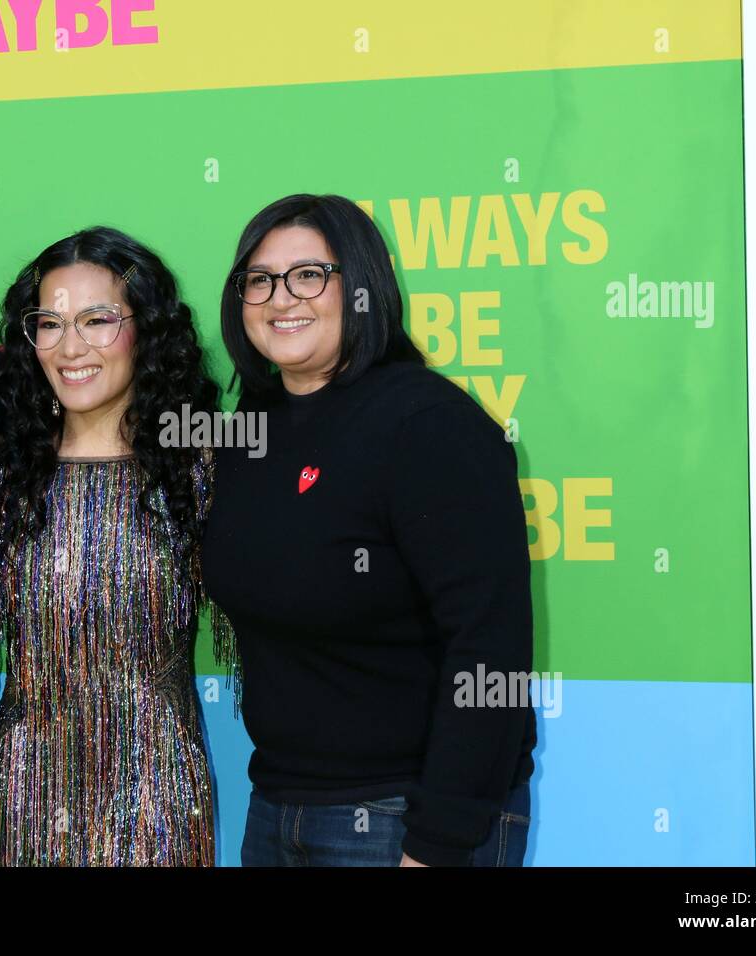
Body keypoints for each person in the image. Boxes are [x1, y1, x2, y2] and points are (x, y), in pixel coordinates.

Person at [201, 193, 537, 867]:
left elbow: (489, 647)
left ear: (361, 286)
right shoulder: (249, 433)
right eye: (259, 280)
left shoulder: (427, 425)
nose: (280, 298)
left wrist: (439, 842)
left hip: (406, 816)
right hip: (277, 807)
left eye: (308, 275)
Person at [0, 226, 235, 866]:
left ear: (146, 330)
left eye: (98, 320)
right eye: (50, 322)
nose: (71, 347)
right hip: (23, 803)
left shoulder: (203, 470)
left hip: (161, 806)